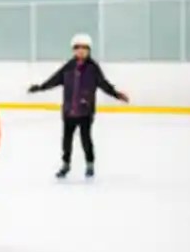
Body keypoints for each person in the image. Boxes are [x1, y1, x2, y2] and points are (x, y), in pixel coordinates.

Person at [27, 34, 129, 179]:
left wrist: (116, 94)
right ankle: (65, 164)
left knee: (85, 139)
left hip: (85, 111)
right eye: (77, 48)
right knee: (66, 140)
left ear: (89, 50)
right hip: (69, 111)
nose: (80, 51)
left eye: (84, 48)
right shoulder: (69, 66)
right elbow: (55, 79)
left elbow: (103, 84)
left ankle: (89, 164)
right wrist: (40, 87)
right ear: (73, 50)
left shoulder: (93, 68)